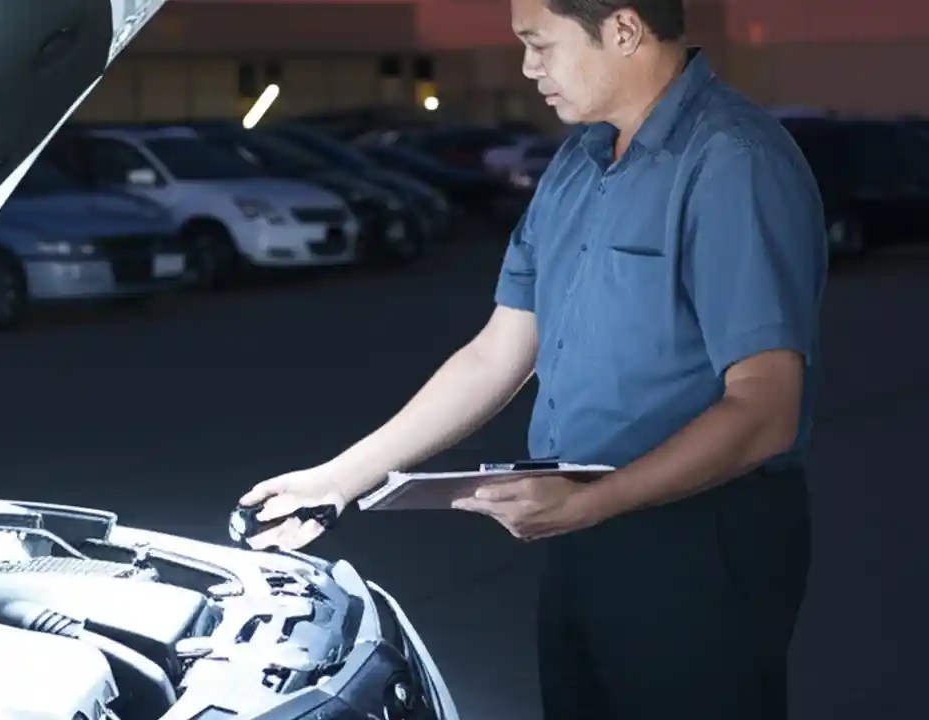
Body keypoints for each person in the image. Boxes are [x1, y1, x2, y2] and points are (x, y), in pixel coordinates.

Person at [237, 0, 828, 718]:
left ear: (624, 29)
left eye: (539, 43)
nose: (527, 67)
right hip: (583, 531)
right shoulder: (576, 166)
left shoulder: (733, 161)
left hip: (701, 540)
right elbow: (499, 351)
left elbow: (765, 409)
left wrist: (593, 501)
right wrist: (339, 479)